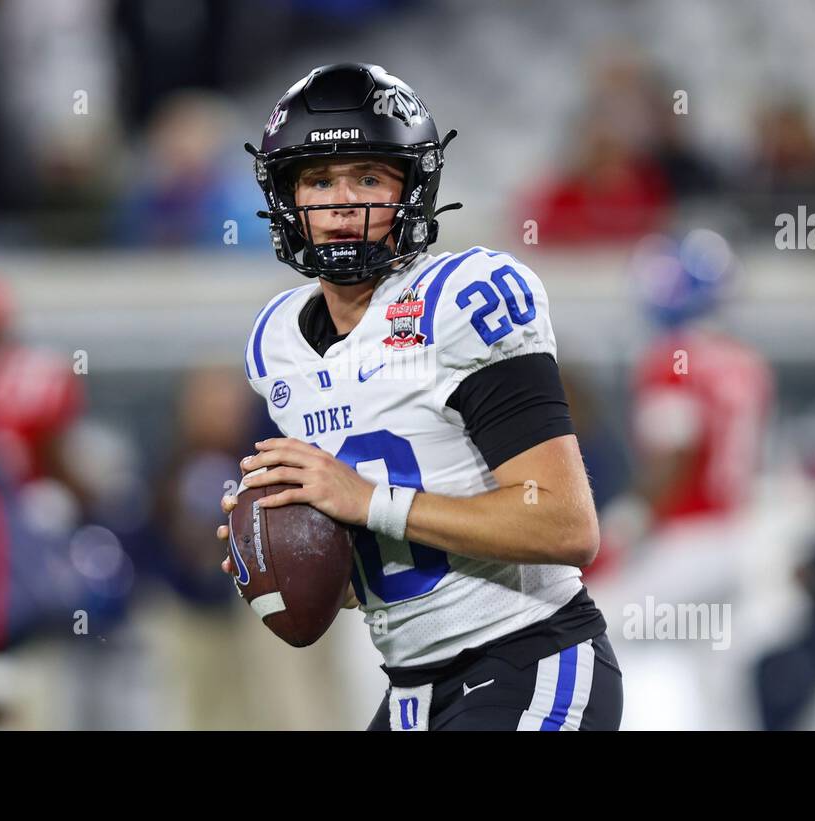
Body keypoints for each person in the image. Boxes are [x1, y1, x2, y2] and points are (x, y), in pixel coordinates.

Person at [215, 63, 621, 731]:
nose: (343, 204)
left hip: (528, 658)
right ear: (287, 199)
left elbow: (566, 525)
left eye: (368, 177)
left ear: (414, 188)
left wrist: (365, 499)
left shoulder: (464, 298)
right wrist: (287, 551)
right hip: (411, 691)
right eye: (319, 180)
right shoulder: (276, 341)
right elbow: (388, 563)